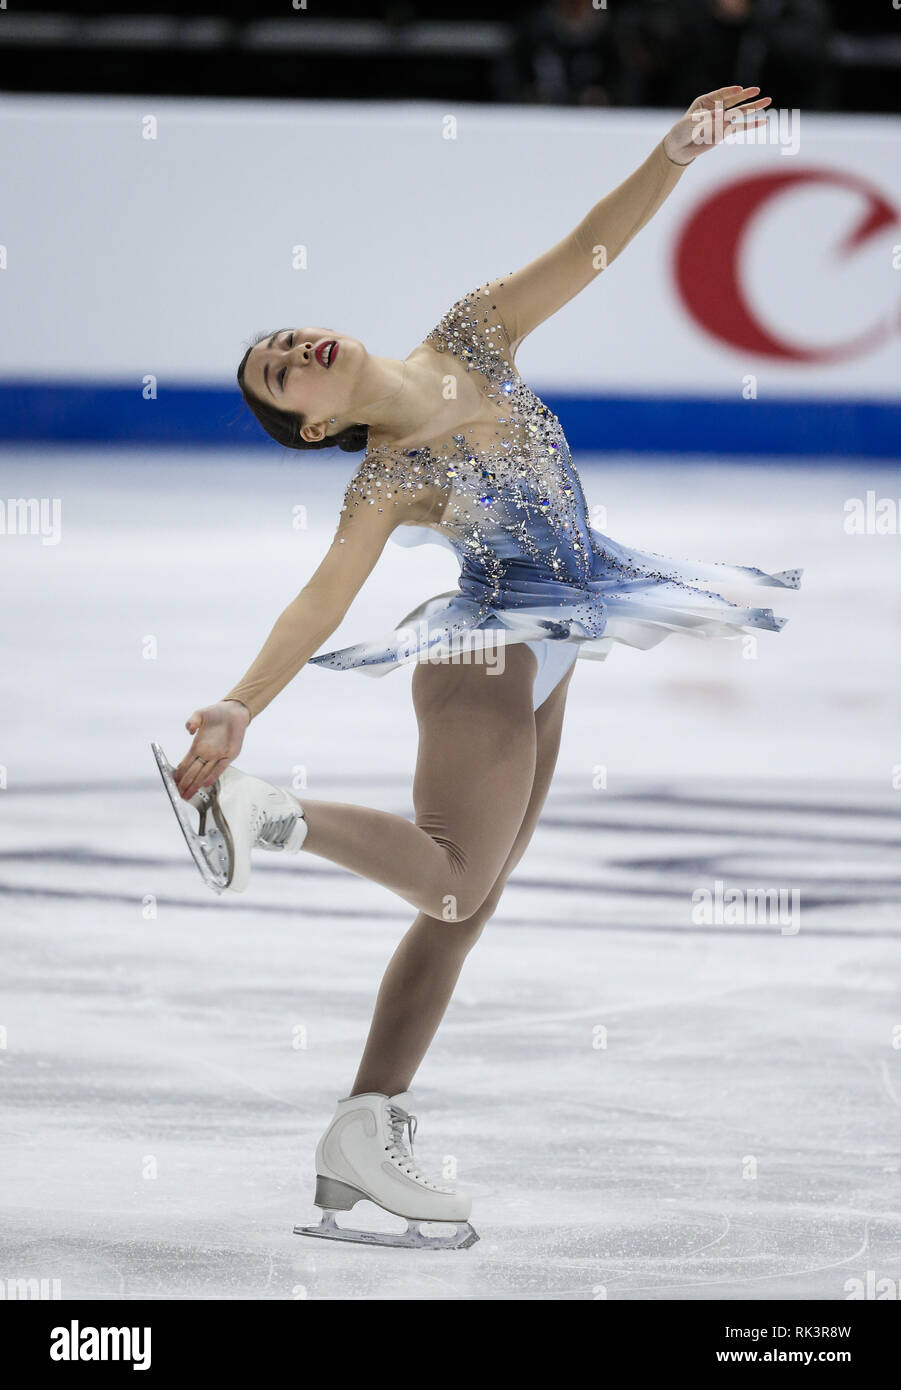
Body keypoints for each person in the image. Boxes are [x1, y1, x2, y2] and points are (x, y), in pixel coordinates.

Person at [155, 85, 800, 1250]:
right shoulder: (384, 477)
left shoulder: (472, 333)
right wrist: (241, 706)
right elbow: (321, 599)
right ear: (312, 426)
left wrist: (674, 152)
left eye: (284, 338)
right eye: (279, 375)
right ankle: (270, 813)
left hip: (561, 633)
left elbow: (589, 251)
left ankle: (366, 1125)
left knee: (468, 907)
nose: (293, 349)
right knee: (453, 882)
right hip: (483, 652)